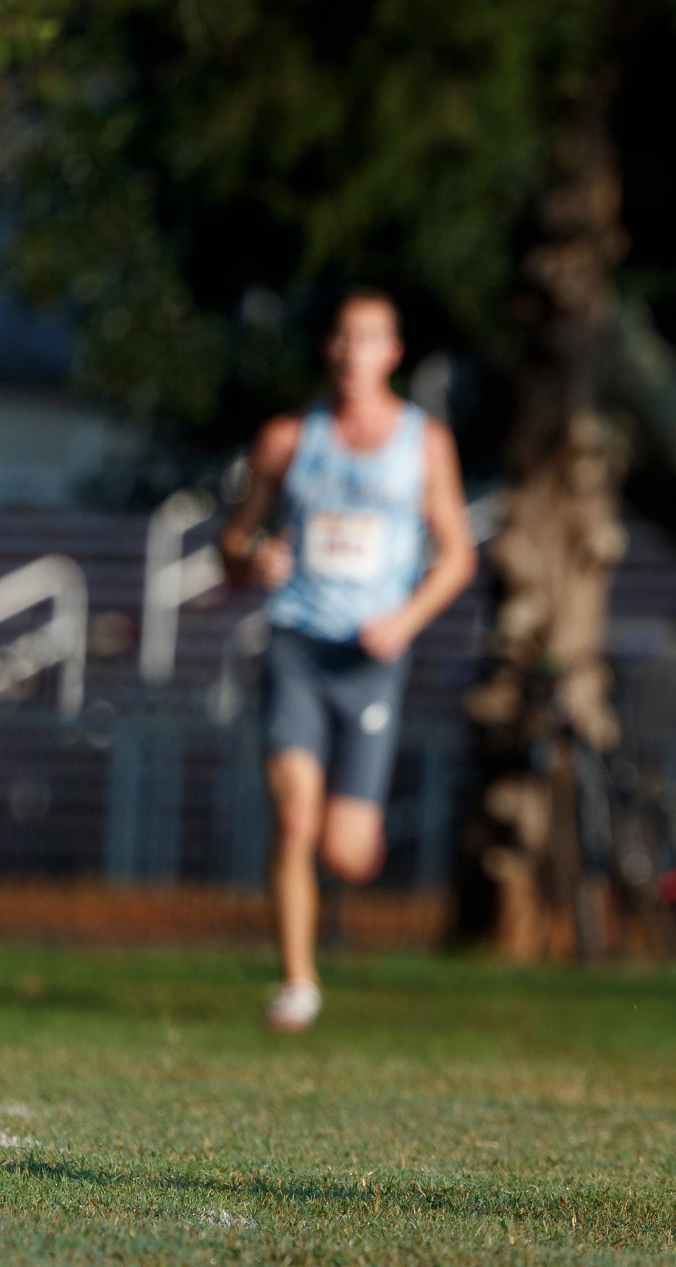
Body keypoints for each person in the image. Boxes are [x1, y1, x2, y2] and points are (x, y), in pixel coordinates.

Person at [220, 290, 477, 1032]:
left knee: (341, 848)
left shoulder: (423, 444)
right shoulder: (288, 439)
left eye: (367, 338)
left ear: (392, 353)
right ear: (327, 349)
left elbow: (457, 556)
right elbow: (230, 545)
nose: (350, 351)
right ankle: (298, 981)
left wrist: (405, 620)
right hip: (297, 644)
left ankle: (359, 838)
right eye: (340, 336)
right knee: (294, 819)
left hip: (371, 657)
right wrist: (252, 555)